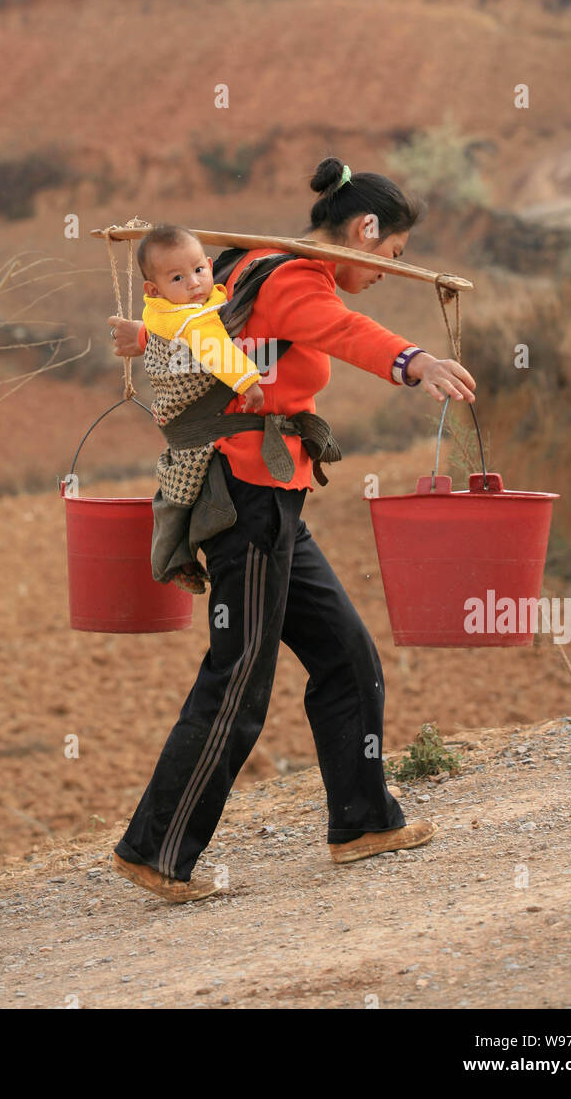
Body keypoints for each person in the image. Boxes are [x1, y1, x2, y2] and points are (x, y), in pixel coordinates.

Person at [106, 157, 476, 904]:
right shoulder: (292, 279)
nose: (384, 271)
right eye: (391, 256)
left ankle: (363, 820)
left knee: (344, 653)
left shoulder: (241, 264)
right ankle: (156, 849)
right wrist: (414, 362)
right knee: (239, 672)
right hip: (249, 494)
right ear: (365, 230)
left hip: (273, 492)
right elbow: (341, 328)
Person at [138, 223, 265, 594]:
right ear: (154, 290)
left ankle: (184, 550)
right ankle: (170, 557)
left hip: (182, 415)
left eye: (198, 270)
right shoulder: (194, 320)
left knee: (181, 474)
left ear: (210, 265)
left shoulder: (167, 309)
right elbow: (217, 352)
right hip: (185, 411)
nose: (194, 283)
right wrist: (248, 382)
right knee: (184, 483)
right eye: (178, 277)